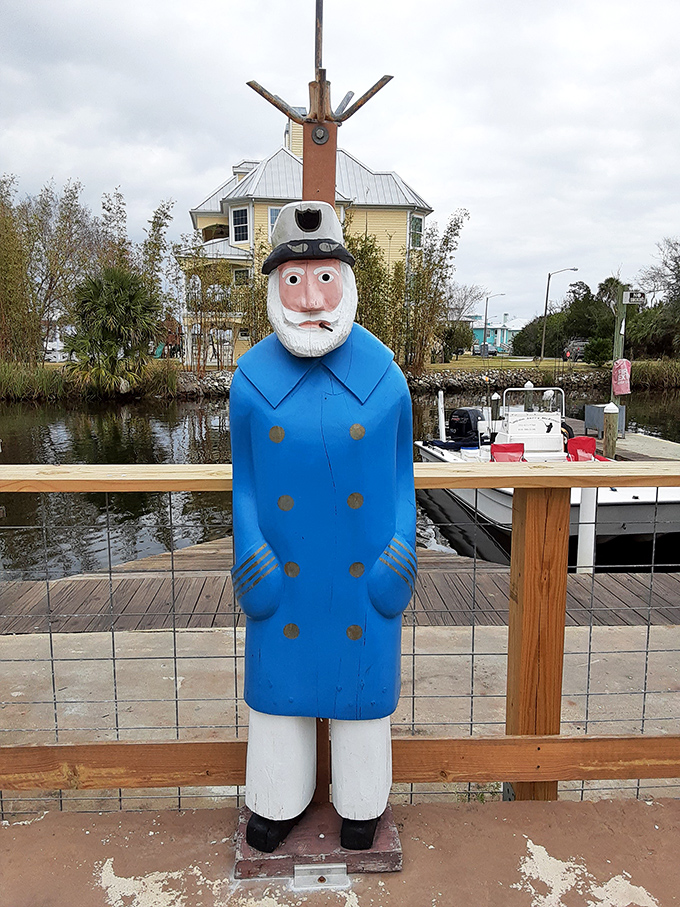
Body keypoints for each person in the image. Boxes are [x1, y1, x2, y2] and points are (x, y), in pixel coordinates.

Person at [230, 201, 416, 853]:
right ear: (275, 287)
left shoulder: (386, 379)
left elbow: (401, 475)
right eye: (293, 280)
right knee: (280, 697)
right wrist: (249, 547)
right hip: (283, 572)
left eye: (325, 278)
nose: (311, 298)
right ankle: (278, 798)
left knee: (360, 693)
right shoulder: (251, 382)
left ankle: (362, 802)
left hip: (363, 571)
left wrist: (403, 548)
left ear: (347, 280)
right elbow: (245, 481)